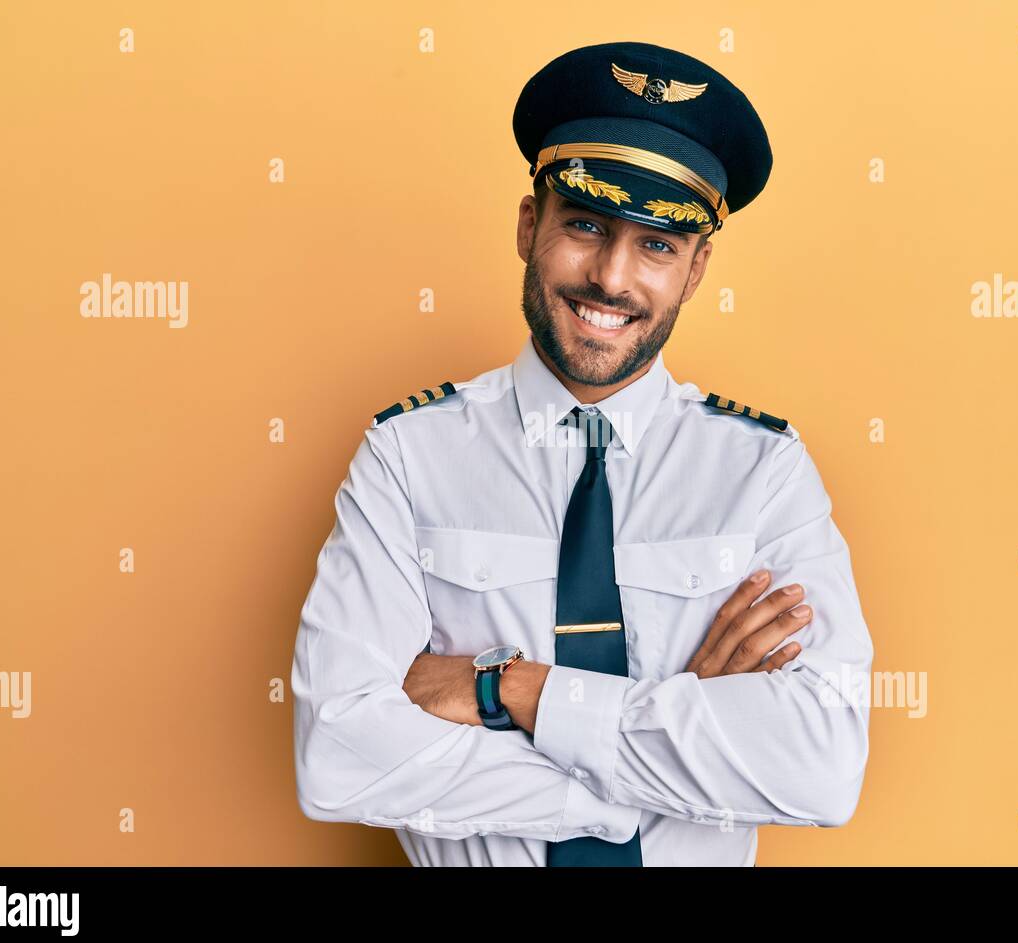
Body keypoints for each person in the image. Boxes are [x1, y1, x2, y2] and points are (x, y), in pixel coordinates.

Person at [291, 40, 873, 866]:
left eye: (658, 246)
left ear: (697, 269)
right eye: (588, 224)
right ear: (530, 225)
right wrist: (658, 748)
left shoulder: (762, 474)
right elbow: (338, 755)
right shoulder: (406, 456)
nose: (611, 277)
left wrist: (507, 689)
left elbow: (820, 767)